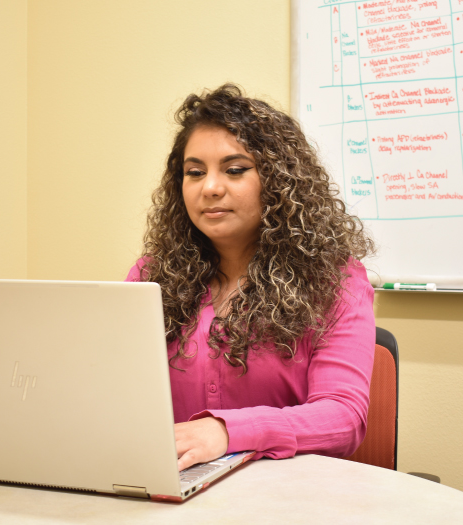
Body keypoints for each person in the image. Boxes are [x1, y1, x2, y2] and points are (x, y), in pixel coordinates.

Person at [125, 84, 375, 471]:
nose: (210, 187)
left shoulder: (335, 281)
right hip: (172, 489)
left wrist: (228, 431)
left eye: (235, 170)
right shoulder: (150, 276)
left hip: (286, 498)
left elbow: (343, 418)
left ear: (278, 182)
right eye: (194, 172)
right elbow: (117, 393)